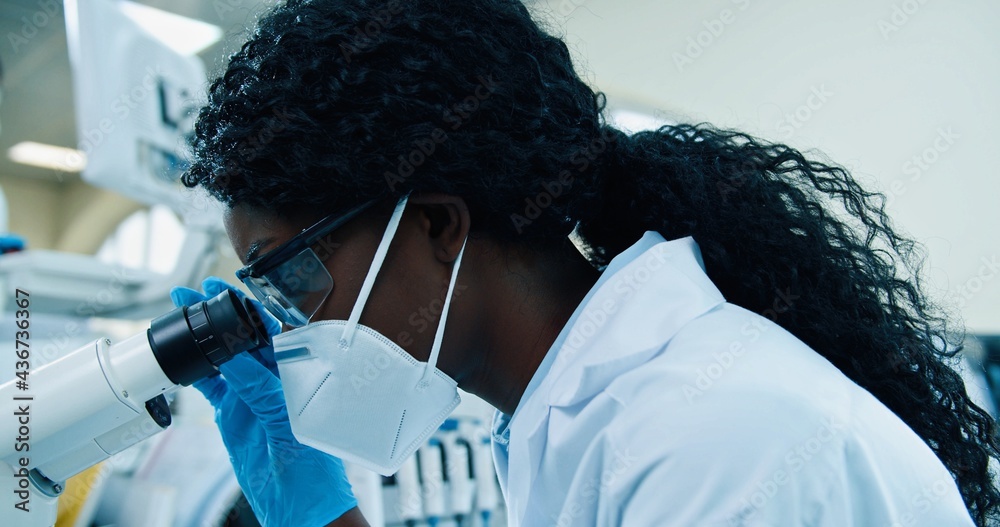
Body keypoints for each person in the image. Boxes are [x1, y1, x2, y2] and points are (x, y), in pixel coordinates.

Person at [172, 0, 1000, 525]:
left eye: (291, 274)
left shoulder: (709, 434)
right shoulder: (572, 425)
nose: (288, 325)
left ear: (436, 225)